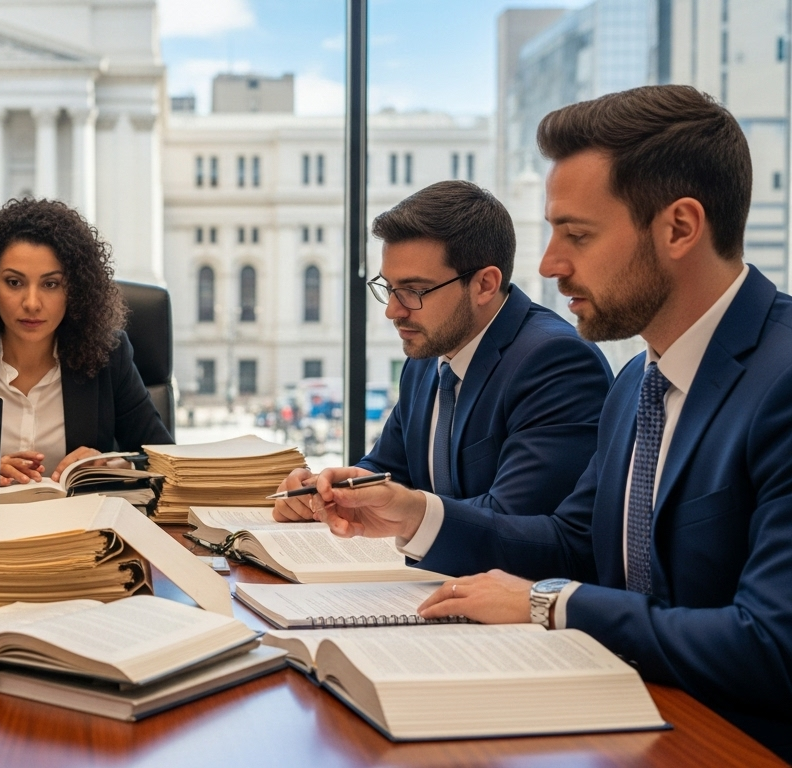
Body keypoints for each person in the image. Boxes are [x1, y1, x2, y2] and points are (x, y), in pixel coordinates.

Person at [307, 86, 792, 758]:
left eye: (577, 234)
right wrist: (418, 518)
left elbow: (770, 645)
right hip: (625, 720)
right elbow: (571, 547)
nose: (547, 265)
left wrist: (554, 604)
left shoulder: (782, 380)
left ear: (679, 227)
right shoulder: (636, 387)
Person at [274, 181, 612, 522]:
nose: (393, 310)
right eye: (389, 288)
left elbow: (515, 518)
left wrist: (409, 512)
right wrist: (331, 492)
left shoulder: (556, 361)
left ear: (484, 285)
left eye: (414, 290)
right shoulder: (427, 355)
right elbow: (388, 470)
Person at [0, 198, 172, 485]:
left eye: (51, 284)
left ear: (75, 289)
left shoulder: (109, 355)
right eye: (14, 282)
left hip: (78, 526)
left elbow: (165, 460)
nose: (32, 303)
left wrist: (117, 464)